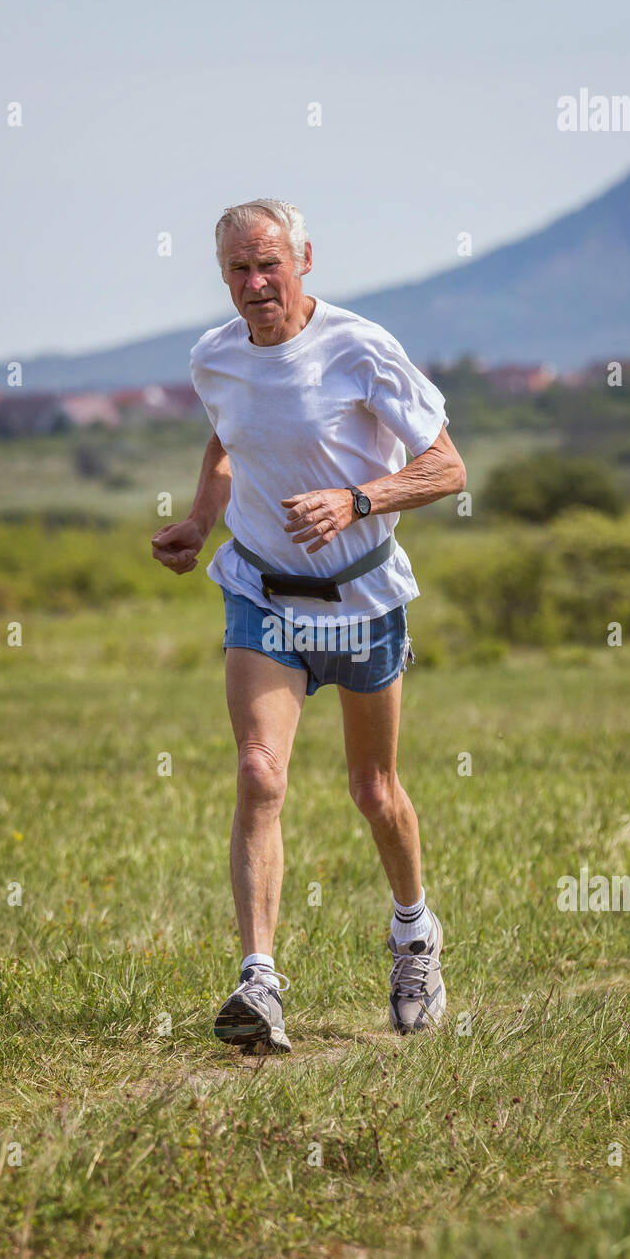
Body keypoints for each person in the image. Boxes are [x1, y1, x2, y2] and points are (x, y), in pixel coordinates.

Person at [152, 199, 466, 1052]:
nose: (255, 285)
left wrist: (357, 500)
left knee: (374, 791)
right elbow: (226, 441)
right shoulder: (213, 358)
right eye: (238, 272)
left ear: (304, 259)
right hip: (262, 592)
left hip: (362, 598)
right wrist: (202, 520)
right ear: (223, 277)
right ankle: (259, 985)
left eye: (269, 266)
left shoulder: (361, 348)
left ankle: (414, 938)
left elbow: (446, 467)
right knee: (259, 774)